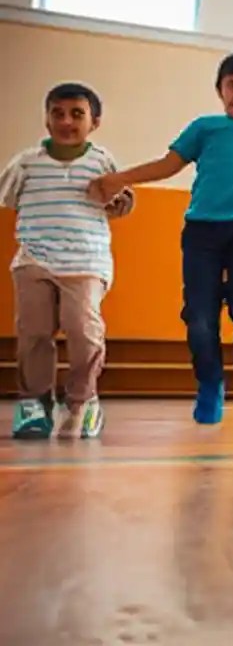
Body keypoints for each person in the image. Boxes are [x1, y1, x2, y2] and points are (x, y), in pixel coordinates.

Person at [89, 53, 233, 425]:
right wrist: (120, 179)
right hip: (202, 230)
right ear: (220, 89)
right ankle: (209, 384)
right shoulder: (204, 127)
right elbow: (168, 165)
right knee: (199, 315)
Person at [1, 83, 134, 439]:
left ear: (95, 122)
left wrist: (116, 201)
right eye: (57, 113)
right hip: (34, 259)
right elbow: (10, 199)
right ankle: (35, 403)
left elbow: (121, 202)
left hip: (86, 261)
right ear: (46, 120)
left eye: (77, 114)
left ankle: (83, 400)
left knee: (83, 329)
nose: (66, 121)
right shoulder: (26, 162)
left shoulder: (102, 161)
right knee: (34, 332)